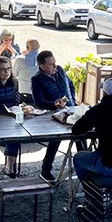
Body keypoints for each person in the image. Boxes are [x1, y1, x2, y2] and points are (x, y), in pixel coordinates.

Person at [31, 49, 78, 183]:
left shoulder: (60, 70)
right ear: (42, 66)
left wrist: (72, 100)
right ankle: (46, 169)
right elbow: (38, 102)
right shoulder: (37, 80)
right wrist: (54, 105)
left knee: (81, 135)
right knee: (55, 140)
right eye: (51, 64)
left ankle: (86, 166)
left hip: (71, 109)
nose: (54, 66)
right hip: (53, 114)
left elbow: (70, 84)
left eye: (55, 63)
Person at [12, 38, 40, 104]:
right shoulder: (43, 60)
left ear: (27, 47)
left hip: (23, 94)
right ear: (39, 47)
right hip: (40, 95)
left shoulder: (20, 59)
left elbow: (13, 74)